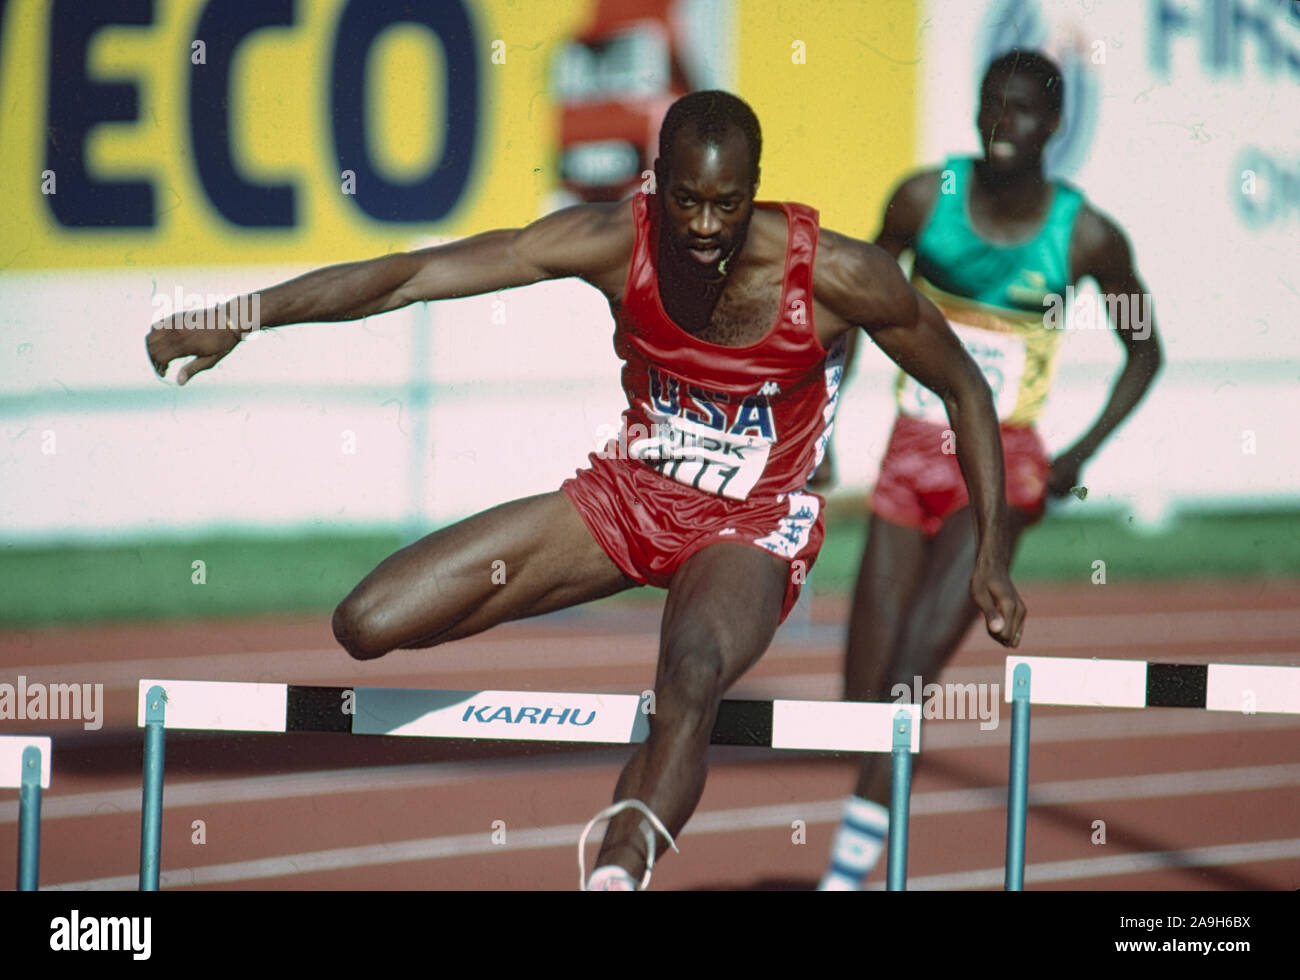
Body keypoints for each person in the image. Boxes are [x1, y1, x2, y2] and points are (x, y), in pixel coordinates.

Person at [146, 90, 1026, 891]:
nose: (706, 226)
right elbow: (409, 277)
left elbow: (967, 390)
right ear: (657, 185)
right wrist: (239, 318)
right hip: (630, 498)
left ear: (758, 186)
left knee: (690, 678)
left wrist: (989, 554)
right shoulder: (616, 241)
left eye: (727, 202)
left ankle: (616, 873)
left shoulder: (839, 274)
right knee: (367, 624)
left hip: (753, 527)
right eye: (685, 200)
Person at [816, 51, 1163, 890]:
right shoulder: (920, 200)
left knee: (909, 679)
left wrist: (1075, 459)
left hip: (1000, 474)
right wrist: (819, 424)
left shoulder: (1086, 237)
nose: (1004, 124)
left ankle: (845, 876)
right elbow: (843, 305)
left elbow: (1144, 354)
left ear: (1055, 126)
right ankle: (869, 838)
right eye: (991, 107)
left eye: (1024, 111)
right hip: (909, 457)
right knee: (862, 702)